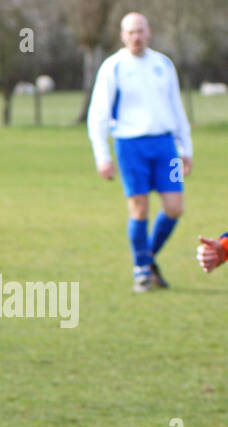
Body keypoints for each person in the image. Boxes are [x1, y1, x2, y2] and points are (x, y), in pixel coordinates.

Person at [87, 11, 193, 293]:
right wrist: (103, 156)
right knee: (139, 208)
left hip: (167, 146)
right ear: (123, 36)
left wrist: (186, 148)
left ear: (149, 32)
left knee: (175, 207)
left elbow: (176, 107)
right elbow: (98, 114)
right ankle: (142, 272)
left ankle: (147, 258)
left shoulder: (163, 64)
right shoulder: (113, 67)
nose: (136, 36)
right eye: (131, 32)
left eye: (140, 30)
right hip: (130, 145)